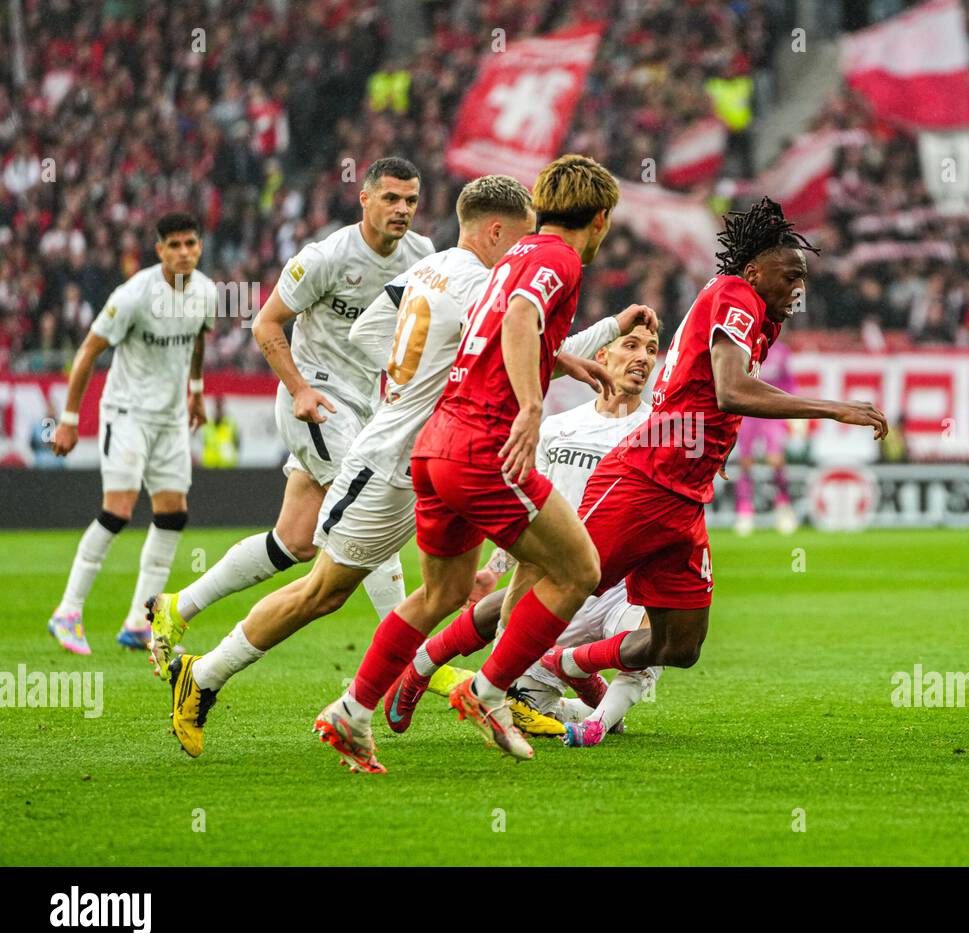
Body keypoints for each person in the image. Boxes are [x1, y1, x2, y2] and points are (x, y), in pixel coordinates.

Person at [164, 175, 637, 759]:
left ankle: (498, 689)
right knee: (323, 592)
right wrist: (608, 331)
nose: (521, 251)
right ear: (494, 232)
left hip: (430, 451)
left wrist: (406, 380)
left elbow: (369, 333)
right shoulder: (482, 281)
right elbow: (515, 333)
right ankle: (206, 675)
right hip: (394, 461)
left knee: (465, 584)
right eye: (515, 240)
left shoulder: (429, 268)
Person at [314, 154, 654, 771]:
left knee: (443, 592)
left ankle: (351, 710)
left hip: (436, 443)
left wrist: (567, 360)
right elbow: (522, 319)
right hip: (486, 447)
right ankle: (489, 689)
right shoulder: (559, 258)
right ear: (600, 218)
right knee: (579, 569)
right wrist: (530, 405)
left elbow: (503, 330)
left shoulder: (514, 255)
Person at [538, 197, 888, 748]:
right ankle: (450, 665)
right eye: (790, 273)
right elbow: (729, 389)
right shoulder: (736, 294)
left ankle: (570, 662)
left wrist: (709, 452)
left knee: (681, 646)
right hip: (648, 476)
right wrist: (832, 407)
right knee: (562, 580)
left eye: (803, 277)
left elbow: (704, 394)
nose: (799, 285)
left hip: (685, 487)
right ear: (754, 271)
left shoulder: (759, 320)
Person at [146, 158, 433, 674]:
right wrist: (298, 388)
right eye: (391, 198)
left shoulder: (421, 255)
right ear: (364, 199)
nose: (402, 210)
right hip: (316, 401)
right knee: (374, 506)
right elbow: (265, 324)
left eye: (410, 200)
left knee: (294, 542)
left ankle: (176, 607)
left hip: (366, 406)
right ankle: (410, 661)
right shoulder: (325, 257)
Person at [385, 323, 662, 746]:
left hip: (621, 587)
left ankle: (591, 716)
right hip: (563, 582)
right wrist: (493, 570)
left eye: (652, 350)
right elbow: (528, 513)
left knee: (653, 639)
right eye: (631, 345)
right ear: (602, 357)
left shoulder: (658, 432)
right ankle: (422, 664)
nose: (643, 357)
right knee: (524, 693)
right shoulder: (556, 427)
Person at [46, 212, 216, 655]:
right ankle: (67, 612)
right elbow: (88, 352)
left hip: (171, 418)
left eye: (190, 244)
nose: (184, 253)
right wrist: (67, 419)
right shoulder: (134, 295)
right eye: (174, 245)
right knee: (118, 512)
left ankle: (141, 624)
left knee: (173, 515)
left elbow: (198, 339)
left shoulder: (206, 292)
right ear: (159, 250)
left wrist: (195, 391)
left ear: (199, 247)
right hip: (126, 414)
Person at [733, 336, 797, 535]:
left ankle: (783, 507)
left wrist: (793, 412)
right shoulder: (744, 347)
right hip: (748, 412)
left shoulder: (781, 350)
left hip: (773, 412)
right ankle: (744, 510)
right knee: (746, 462)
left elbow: (788, 382)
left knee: (776, 460)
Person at [201, 395, 239, 468]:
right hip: (209, 466)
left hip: (227, 467)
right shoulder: (207, 425)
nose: (218, 409)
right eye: (216, 406)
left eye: (220, 406)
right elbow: (202, 444)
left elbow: (237, 444)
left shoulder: (231, 424)